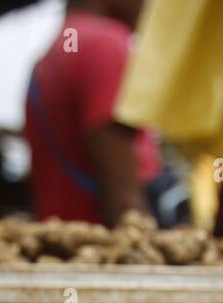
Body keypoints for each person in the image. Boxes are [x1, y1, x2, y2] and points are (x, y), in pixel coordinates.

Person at [24, 0, 161, 226]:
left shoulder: (49, 56)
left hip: (60, 245)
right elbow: (125, 207)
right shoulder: (104, 45)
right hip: (101, 250)